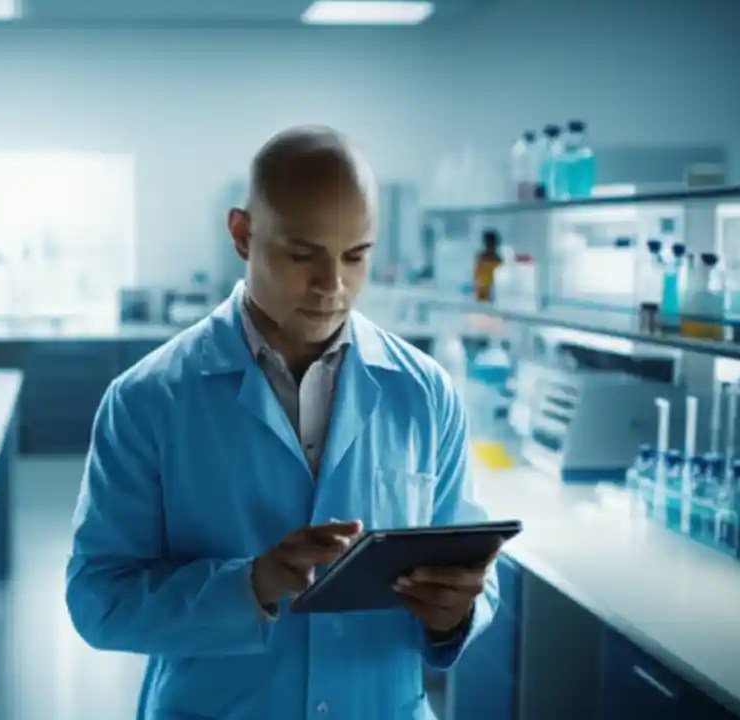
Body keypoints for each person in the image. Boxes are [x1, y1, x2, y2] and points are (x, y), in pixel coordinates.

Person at [66, 126, 498, 719]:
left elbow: (474, 565)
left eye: (356, 256)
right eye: (303, 255)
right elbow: (99, 600)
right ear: (242, 235)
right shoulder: (148, 400)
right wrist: (251, 585)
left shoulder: (423, 394)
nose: (333, 286)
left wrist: (458, 613)